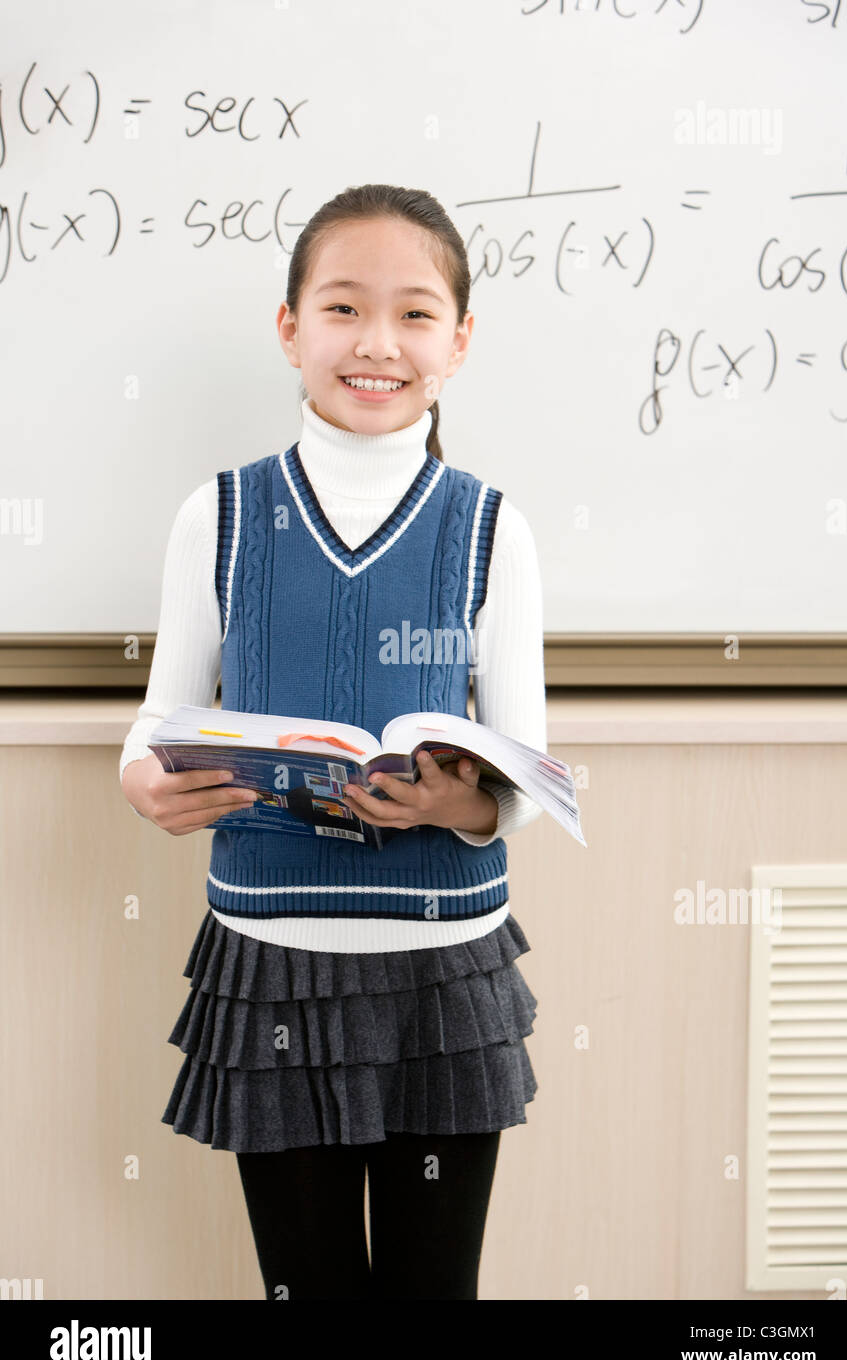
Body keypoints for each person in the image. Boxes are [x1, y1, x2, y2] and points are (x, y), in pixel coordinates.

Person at [119, 183, 548, 1301]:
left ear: (458, 342)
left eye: (413, 314)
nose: (375, 342)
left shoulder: (492, 527)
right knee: (300, 1290)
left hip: (440, 970)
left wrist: (445, 804)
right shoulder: (215, 514)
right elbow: (155, 722)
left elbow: (523, 768)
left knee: (429, 1291)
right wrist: (143, 784)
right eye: (342, 307)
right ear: (290, 328)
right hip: (271, 961)